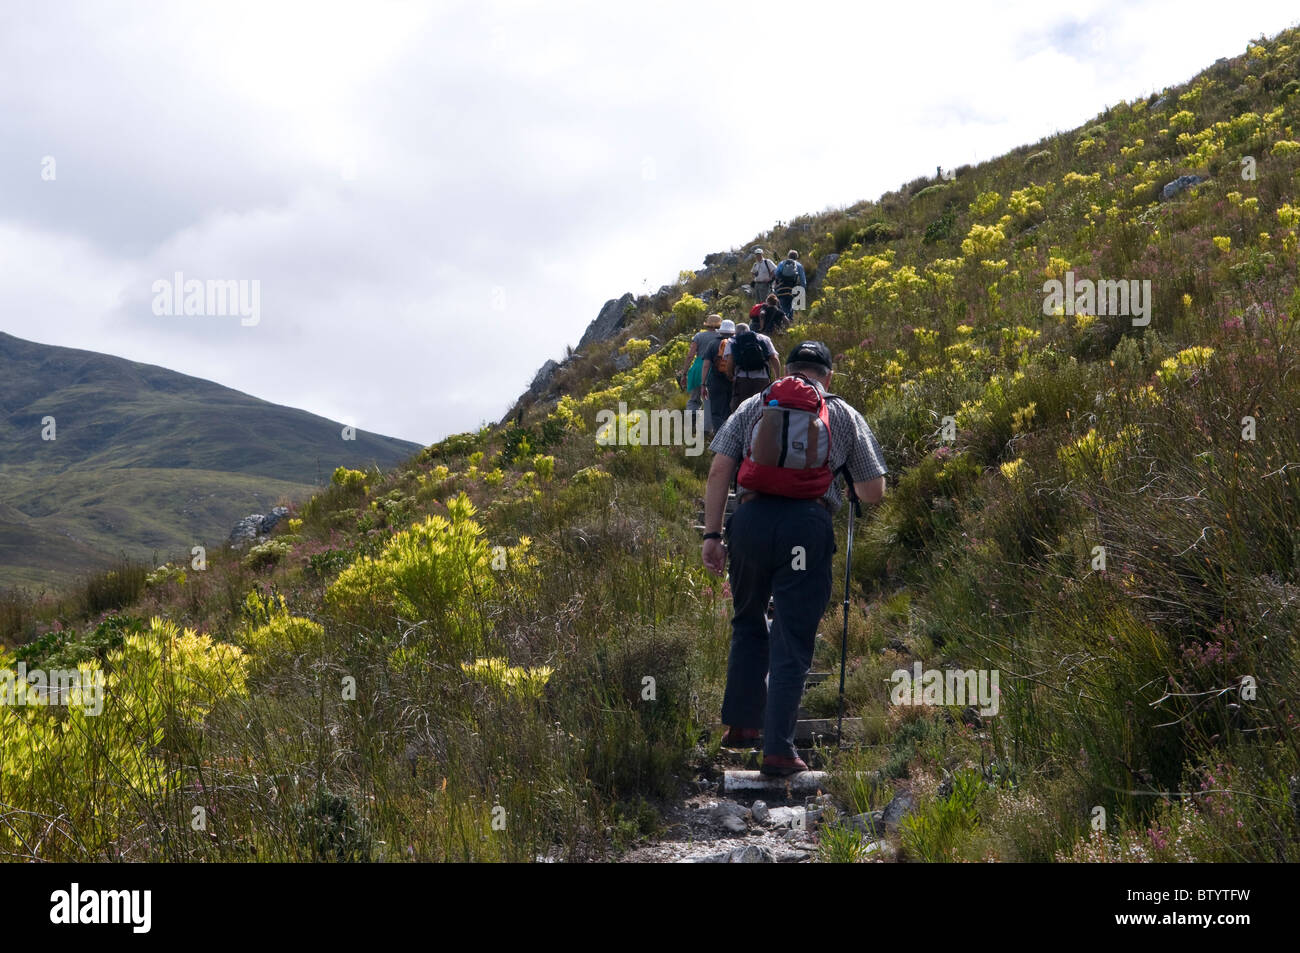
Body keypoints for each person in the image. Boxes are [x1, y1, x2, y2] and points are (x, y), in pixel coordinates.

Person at [701, 341, 887, 776]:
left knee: (748, 620)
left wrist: (712, 534)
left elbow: (718, 471)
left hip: (749, 523)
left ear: (786, 369)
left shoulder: (755, 403)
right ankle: (780, 749)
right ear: (828, 374)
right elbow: (873, 491)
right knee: (792, 633)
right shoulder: (841, 413)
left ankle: (743, 726)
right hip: (806, 528)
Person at [726, 322, 781, 413]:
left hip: (742, 379)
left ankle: (743, 426)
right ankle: (758, 426)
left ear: (736, 332)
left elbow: (730, 360)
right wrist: (777, 377)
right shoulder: (763, 338)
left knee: (741, 408)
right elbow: (774, 358)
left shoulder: (733, 340)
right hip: (762, 379)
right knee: (761, 407)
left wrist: (730, 374)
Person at [682, 313, 722, 433]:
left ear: (707, 324)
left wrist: (684, 373)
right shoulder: (721, 337)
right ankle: (706, 429)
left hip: (697, 368)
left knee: (694, 398)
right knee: (708, 400)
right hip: (712, 369)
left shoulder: (698, 336)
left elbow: (690, 355)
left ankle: (690, 423)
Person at [700, 319, 736, 433]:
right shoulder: (736, 343)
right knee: (730, 411)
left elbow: (706, 365)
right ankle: (730, 437)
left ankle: (719, 440)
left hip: (716, 382)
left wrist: (703, 384)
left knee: (716, 413)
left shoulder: (713, 344)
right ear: (733, 332)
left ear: (720, 332)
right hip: (733, 381)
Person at [773, 250, 807, 322]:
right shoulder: (799, 265)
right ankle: (789, 324)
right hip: (793, 290)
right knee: (791, 307)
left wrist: (775, 289)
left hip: (781, 289)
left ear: (788, 256)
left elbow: (776, 275)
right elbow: (803, 281)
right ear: (796, 257)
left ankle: (782, 324)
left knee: (782, 307)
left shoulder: (782, 263)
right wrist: (802, 290)